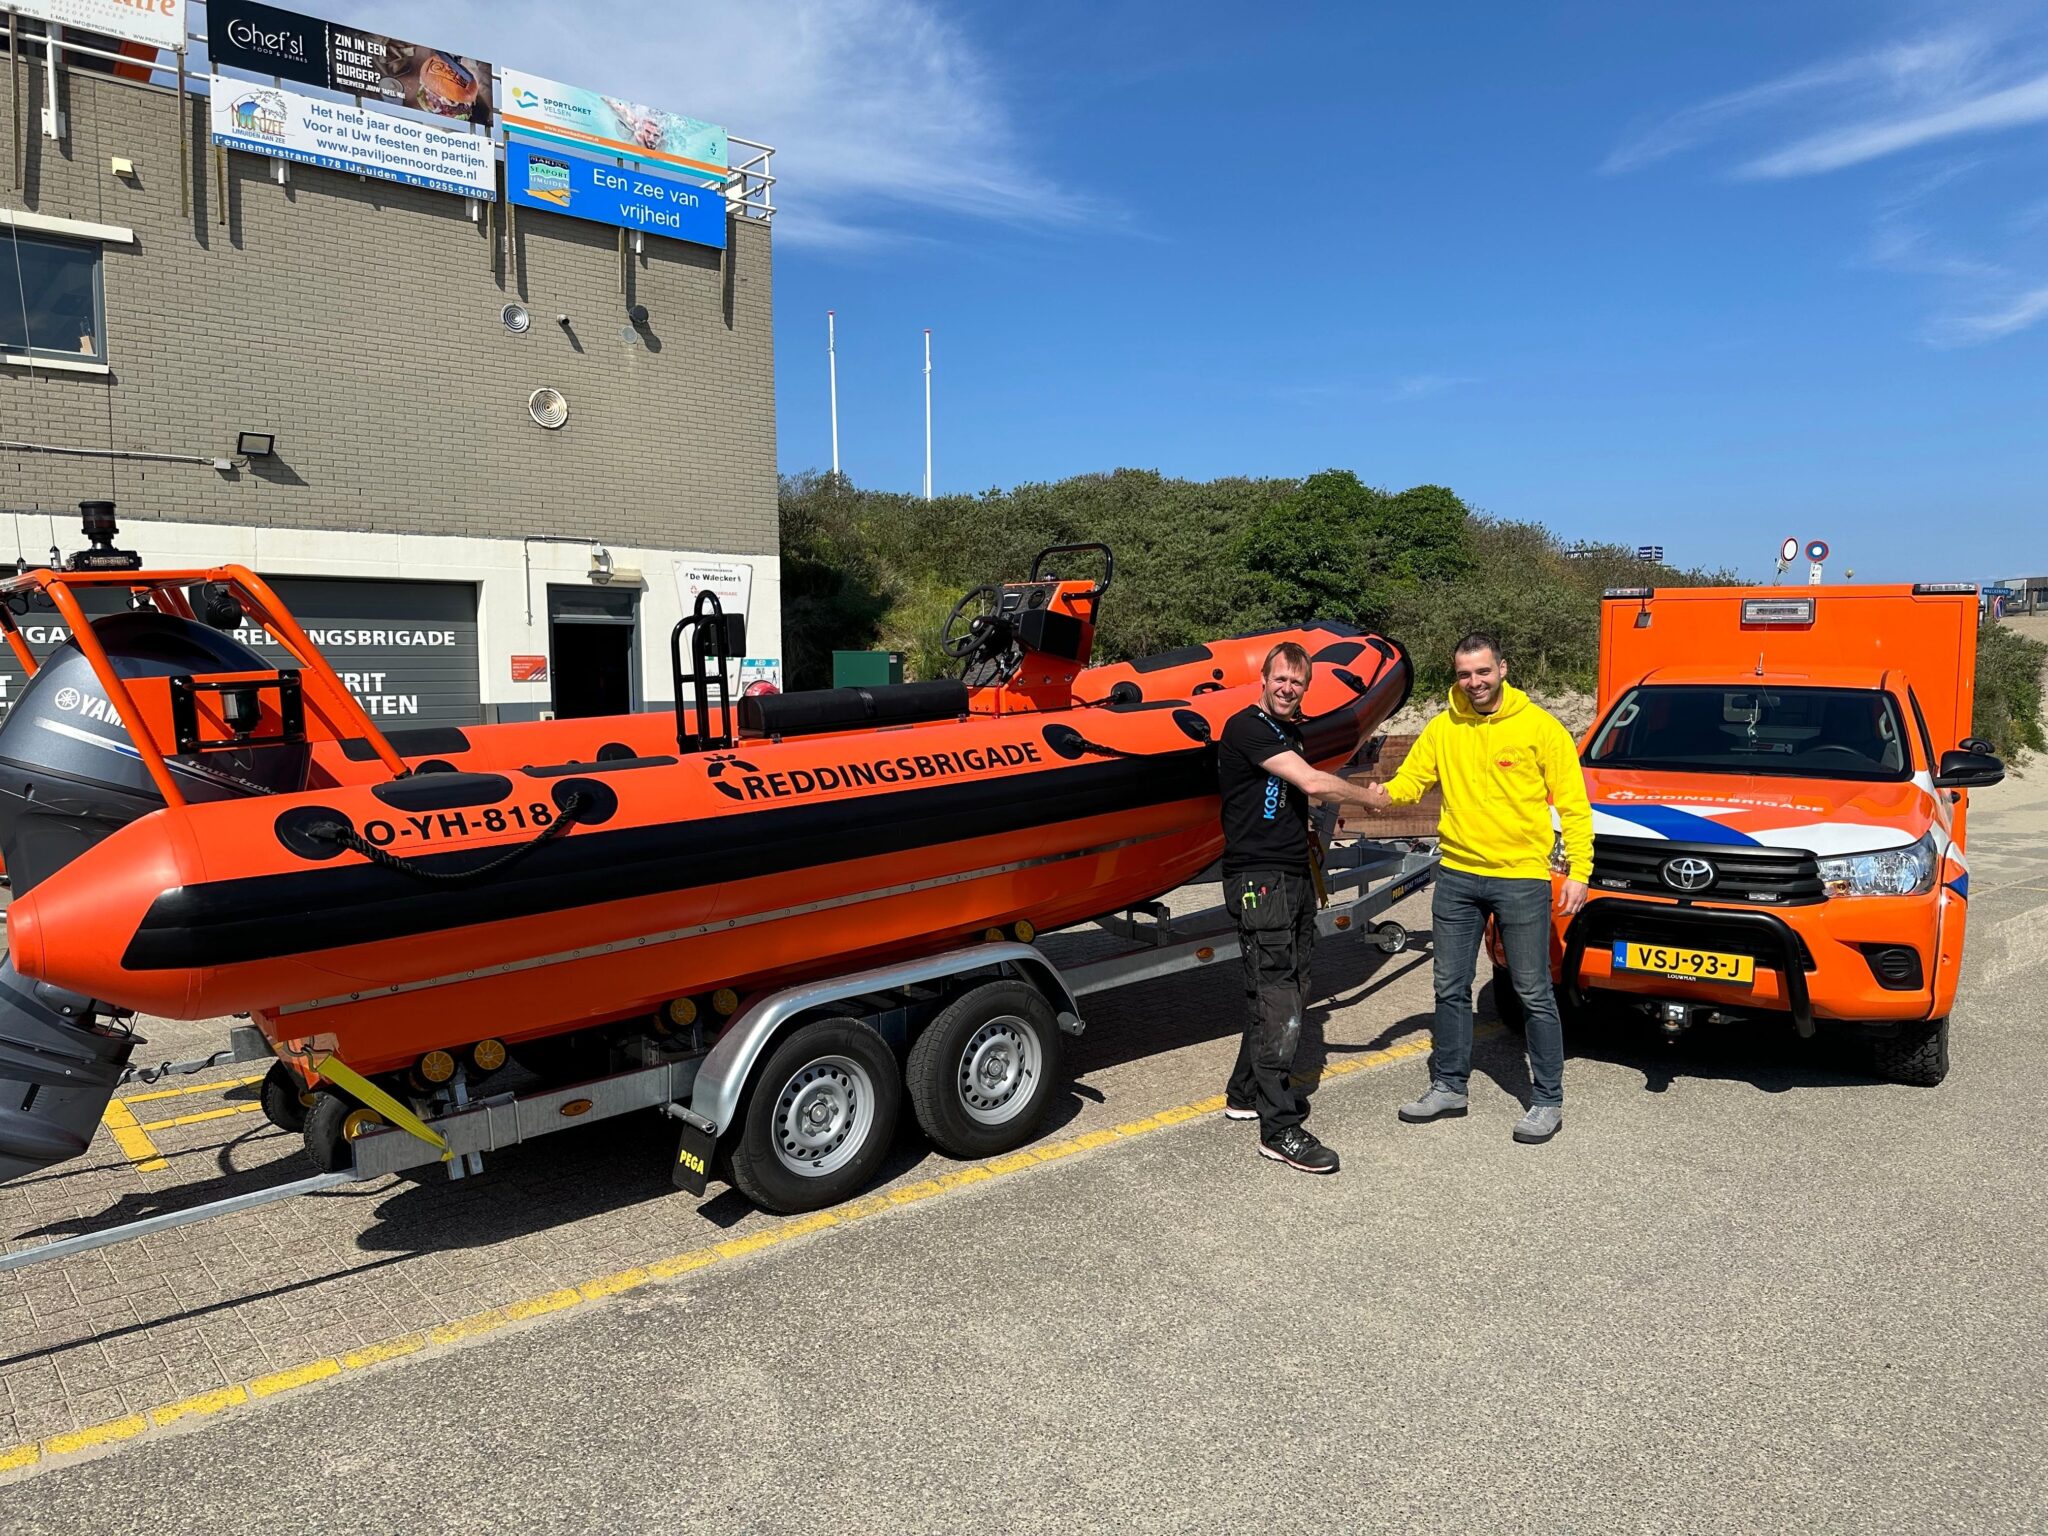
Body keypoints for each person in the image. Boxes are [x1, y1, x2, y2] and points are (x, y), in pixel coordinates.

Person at [1357, 632, 1591, 1144]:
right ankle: (1449, 1087)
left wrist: (1579, 870)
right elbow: (1411, 784)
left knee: (1532, 991)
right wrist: (1380, 795)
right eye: (1465, 674)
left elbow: (1574, 805)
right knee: (1449, 987)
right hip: (1458, 875)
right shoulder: (1443, 728)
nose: (1474, 682)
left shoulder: (1539, 727)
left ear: (1503, 669)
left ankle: (1547, 1100)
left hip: (1521, 877)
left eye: (1483, 671)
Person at [1217, 641, 1383, 1174]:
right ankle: (1279, 1128)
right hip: (1258, 881)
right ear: (1263, 679)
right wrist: (1371, 798)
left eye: (1298, 682)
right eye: (1282, 679)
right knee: (1279, 997)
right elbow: (1311, 782)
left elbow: (1298, 797)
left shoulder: (1292, 732)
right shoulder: (1246, 727)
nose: (1289, 688)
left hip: (1292, 877)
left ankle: (1246, 1093)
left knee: (1290, 985)